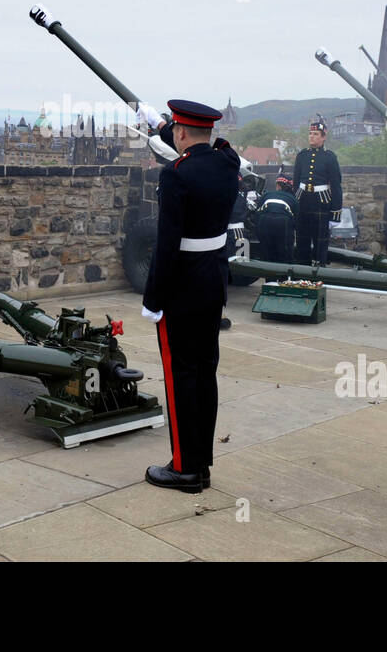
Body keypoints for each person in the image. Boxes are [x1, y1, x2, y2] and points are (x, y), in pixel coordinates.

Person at [141, 100, 241, 493]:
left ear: (180, 134)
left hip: (181, 285)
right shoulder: (226, 162)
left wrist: (153, 299)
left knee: (180, 375)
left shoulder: (176, 175)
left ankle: (184, 469)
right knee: (204, 372)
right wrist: (163, 124)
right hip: (213, 280)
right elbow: (201, 143)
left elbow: (166, 245)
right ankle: (201, 463)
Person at [291, 118, 342, 266]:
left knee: (320, 240)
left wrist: (335, 213)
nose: (311, 136)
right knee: (302, 238)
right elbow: (295, 183)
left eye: (315, 134)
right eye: (310, 133)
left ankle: (319, 270)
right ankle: (302, 267)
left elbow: (336, 186)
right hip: (302, 200)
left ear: (323, 137)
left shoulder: (330, 157)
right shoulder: (302, 155)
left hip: (321, 202)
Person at [253, 172, 297, 263]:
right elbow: (296, 221)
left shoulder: (267, 194)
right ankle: (284, 275)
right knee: (285, 254)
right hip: (283, 221)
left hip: (264, 220)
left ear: (278, 186)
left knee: (267, 254)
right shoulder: (293, 199)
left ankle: (269, 276)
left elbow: (257, 214)